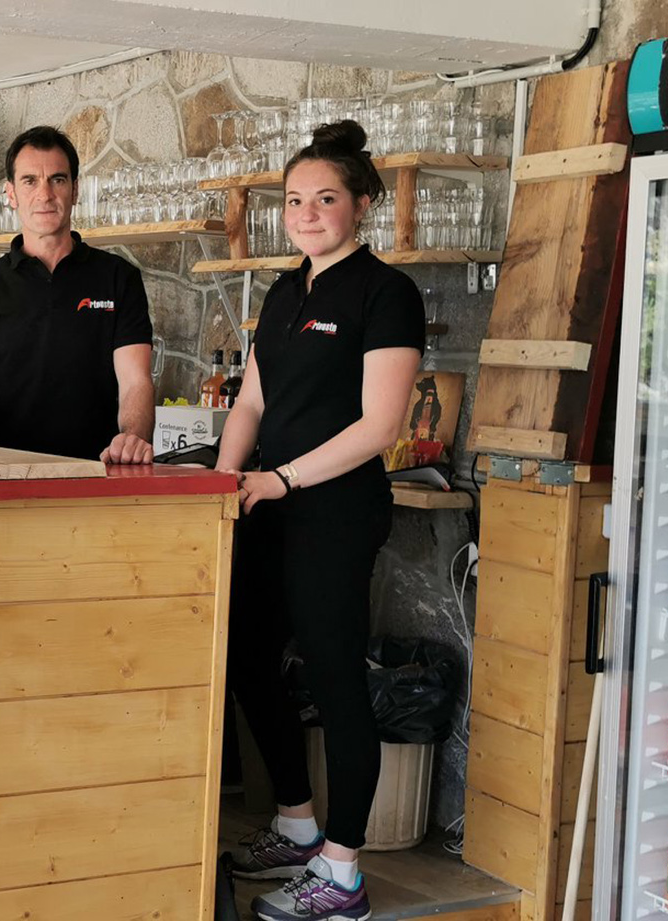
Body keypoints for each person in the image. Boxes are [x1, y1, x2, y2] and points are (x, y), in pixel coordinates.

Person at [217, 120, 425, 921]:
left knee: (337, 681)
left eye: (325, 198)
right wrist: (226, 483)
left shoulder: (385, 293)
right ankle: (298, 823)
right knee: (248, 659)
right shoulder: (282, 290)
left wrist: (281, 477)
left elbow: (381, 426)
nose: (306, 212)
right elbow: (254, 400)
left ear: (362, 204)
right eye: (295, 199)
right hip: (266, 503)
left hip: (334, 510)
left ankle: (343, 873)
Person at [0, 125, 155, 463]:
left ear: (75, 190)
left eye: (58, 180)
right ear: (11, 193)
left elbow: (135, 381)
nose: (44, 194)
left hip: (96, 469)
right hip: (2, 471)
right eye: (30, 181)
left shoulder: (118, 278)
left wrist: (133, 438)